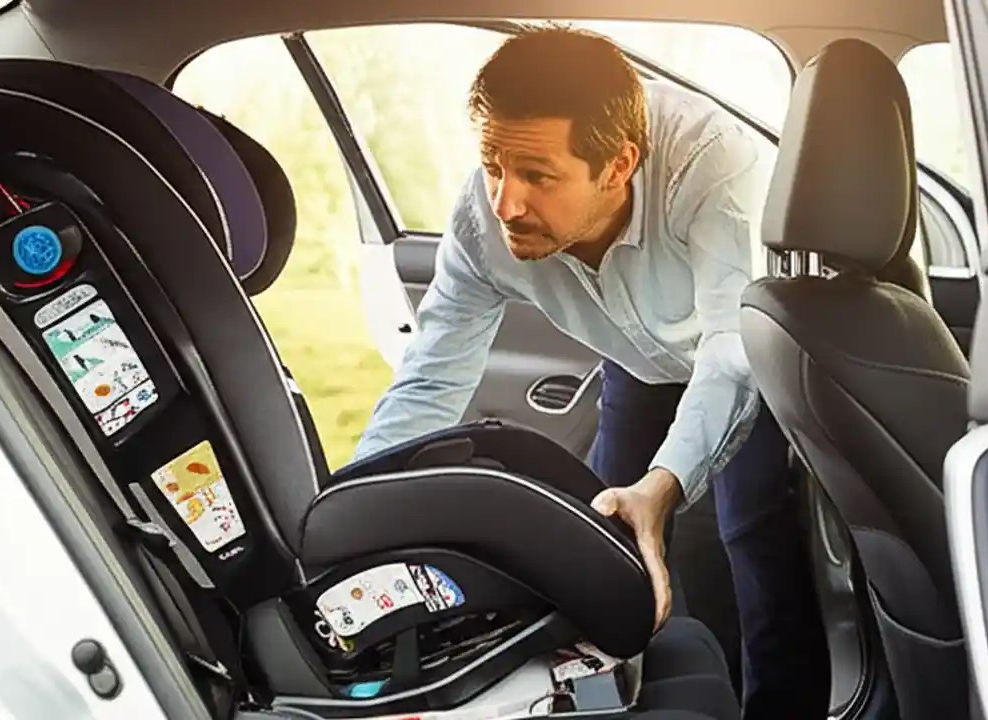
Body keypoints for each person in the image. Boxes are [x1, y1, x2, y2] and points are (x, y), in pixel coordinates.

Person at [350, 26, 829, 719]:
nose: (507, 203)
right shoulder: (483, 221)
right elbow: (430, 377)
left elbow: (730, 350)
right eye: (492, 166)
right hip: (634, 363)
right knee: (606, 538)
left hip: (737, 355)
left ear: (617, 165)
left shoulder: (713, 162)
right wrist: (357, 515)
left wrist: (663, 487)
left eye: (538, 177)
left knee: (750, 534)